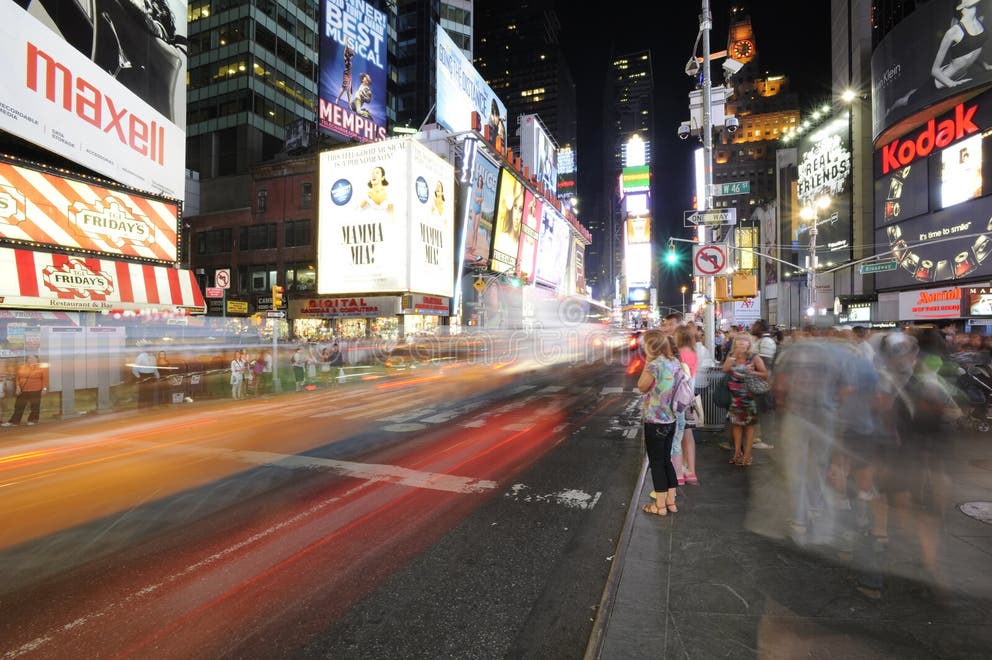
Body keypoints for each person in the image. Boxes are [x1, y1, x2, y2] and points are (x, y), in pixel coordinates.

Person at [637, 330, 681, 516]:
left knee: (656, 463)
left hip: (655, 420)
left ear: (650, 346)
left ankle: (660, 506)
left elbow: (641, 386)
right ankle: (671, 502)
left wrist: (648, 360)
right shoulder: (674, 362)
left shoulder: (653, 365)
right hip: (671, 419)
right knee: (666, 460)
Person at [721, 334, 767, 466]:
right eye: (739, 341)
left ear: (749, 344)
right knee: (735, 424)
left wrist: (751, 372)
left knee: (749, 426)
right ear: (735, 343)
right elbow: (725, 369)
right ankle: (737, 453)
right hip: (735, 397)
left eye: (745, 342)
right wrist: (734, 356)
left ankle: (747, 455)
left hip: (749, 396)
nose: (741, 344)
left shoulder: (754, 357)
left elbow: (764, 374)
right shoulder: (732, 356)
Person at [3, 355, 48, 427]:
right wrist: (18, 387)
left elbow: (45, 379)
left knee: (35, 406)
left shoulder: (41, 368)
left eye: (33, 358)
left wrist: (44, 388)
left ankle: (33, 420)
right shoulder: (22, 367)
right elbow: (18, 378)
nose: (30, 360)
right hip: (23, 390)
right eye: (29, 358)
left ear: (37, 360)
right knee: (18, 406)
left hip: (35, 390)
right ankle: (14, 421)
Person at [335, 36, 356, 106]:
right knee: (344, 87)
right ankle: (338, 98)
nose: (352, 56)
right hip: (347, 74)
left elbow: (345, 50)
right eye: (351, 54)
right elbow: (346, 48)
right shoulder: (348, 59)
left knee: (349, 89)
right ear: (349, 54)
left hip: (349, 75)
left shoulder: (347, 58)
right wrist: (346, 40)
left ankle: (349, 103)